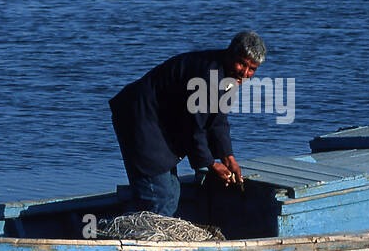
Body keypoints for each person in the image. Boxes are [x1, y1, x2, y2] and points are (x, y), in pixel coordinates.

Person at [109, 31, 266, 216]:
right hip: (140, 118)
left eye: (252, 69)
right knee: (160, 199)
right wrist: (210, 164)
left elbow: (218, 122)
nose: (245, 73)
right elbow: (194, 127)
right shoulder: (208, 77)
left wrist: (228, 158)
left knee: (172, 192)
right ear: (230, 53)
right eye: (242, 63)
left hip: (163, 123)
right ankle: (133, 238)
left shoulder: (229, 77)